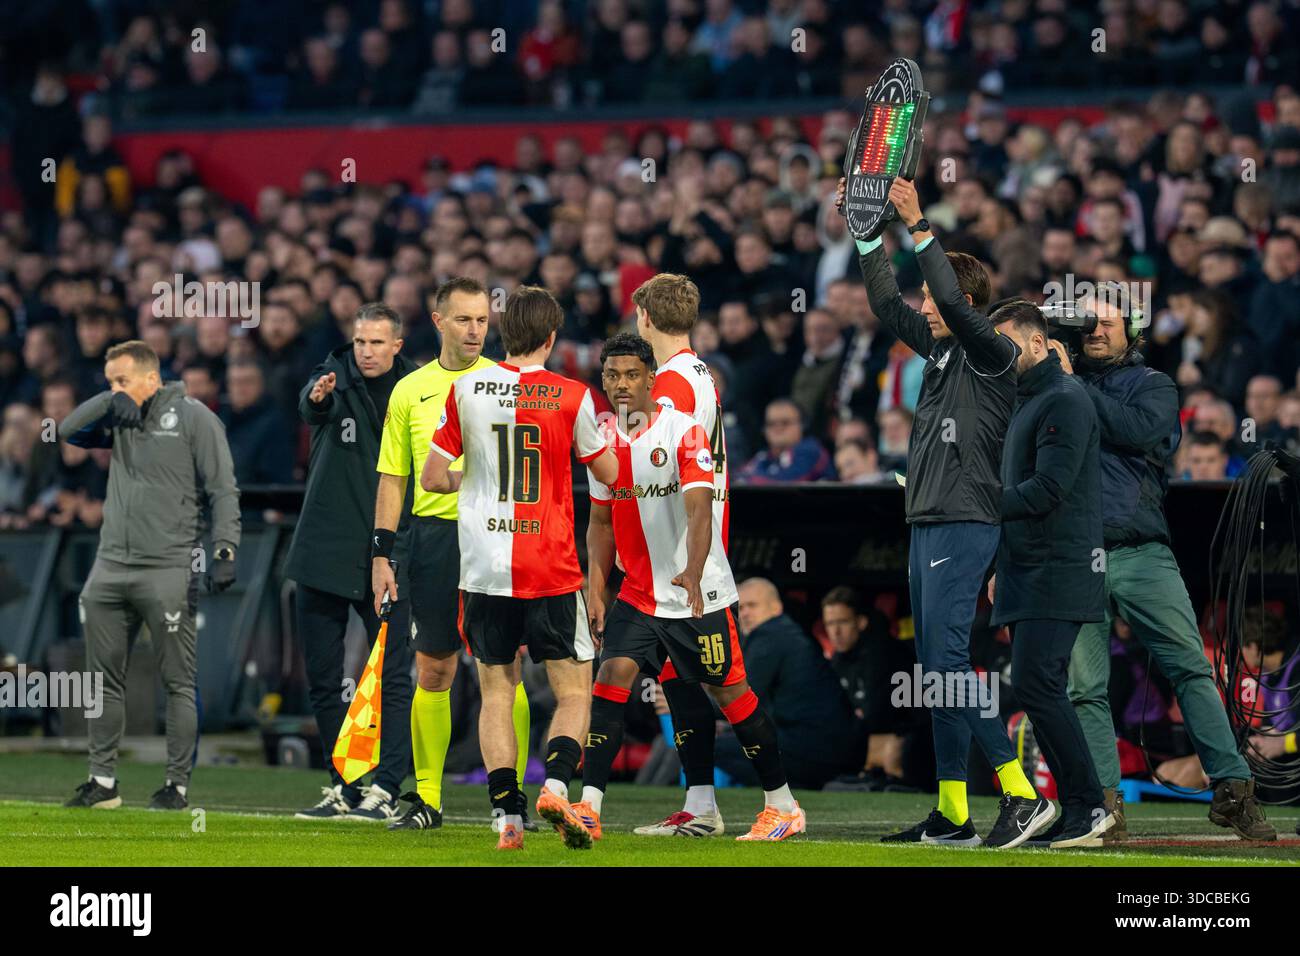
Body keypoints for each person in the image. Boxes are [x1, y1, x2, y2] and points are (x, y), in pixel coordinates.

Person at [839, 175, 1043, 845]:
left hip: (964, 519)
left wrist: (918, 222)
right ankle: (954, 811)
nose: (922, 302)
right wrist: (868, 229)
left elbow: (951, 297)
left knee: (951, 666)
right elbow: (879, 299)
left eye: (929, 294)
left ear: (964, 303)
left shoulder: (992, 353)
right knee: (937, 675)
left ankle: (1020, 791)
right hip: (929, 519)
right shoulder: (942, 350)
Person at [578, 333, 805, 843]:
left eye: (631, 374)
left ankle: (783, 805)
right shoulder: (600, 438)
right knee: (612, 678)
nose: (620, 384)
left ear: (651, 378)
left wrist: (694, 570)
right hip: (638, 594)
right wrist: (596, 588)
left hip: (694, 592)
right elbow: (598, 523)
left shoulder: (683, 432)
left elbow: (701, 508)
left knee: (730, 694)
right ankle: (590, 808)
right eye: (611, 375)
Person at [1067, 289, 1275, 841]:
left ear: (1133, 329)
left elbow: (1141, 434)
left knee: (1191, 667)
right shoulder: (1056, 386)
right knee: (1084, 687)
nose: (1094, 330)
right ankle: (1102, 806)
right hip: (1073, 555)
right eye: (1086, 321)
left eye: (1106, 321)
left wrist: (1068, 385)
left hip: (1141, 549)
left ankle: (1232, 787)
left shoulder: (1153, 385)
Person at [421, 285, 618, 850]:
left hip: (483, 568)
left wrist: (474, 481)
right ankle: (556, 784)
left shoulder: (465, 390)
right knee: (575, 692)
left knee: (497, 693)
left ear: (504, 333)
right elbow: (606, 473)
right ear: (552, 338)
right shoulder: (572, 396)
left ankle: (507, 818)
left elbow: (433, 477)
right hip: (550, 567)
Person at [369, 278, 530, 831]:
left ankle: (513, 799)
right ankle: (427, 800)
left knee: (506, 670)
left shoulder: (508, 384)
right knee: (433, 669)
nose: (475, 329)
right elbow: (393, 476)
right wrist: (381, 554)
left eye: (483, 319)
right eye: (464, 319)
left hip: (494, 535)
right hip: (433, 541)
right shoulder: (409, 390)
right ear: (438, 322)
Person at [60, 340, 239, 810]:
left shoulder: (195, 417)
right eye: (109, 382)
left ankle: (176, 786)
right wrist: (109, 400)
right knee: (102, 680)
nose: (115, 390)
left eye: (122, 381)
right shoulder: (117, 418)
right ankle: (103, 783)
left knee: (177, 681)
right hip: (110, 564)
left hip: (168, 567)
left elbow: (223, 489)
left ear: (151, 378)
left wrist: (225, 549)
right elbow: (67, 428)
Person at [285, 302, 419, 822]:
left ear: (397, 345)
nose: (365, 351)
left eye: (376, 343)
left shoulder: (417, 387)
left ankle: (387, 785)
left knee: (391, 675)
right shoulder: (331, 374)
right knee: (324, 678)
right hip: (322, 546)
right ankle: (345, 783)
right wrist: (317, 397)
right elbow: (310, 405)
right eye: (360, 341)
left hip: (385, 552)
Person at [986, 301, 1112, 848]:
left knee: (1039, 685)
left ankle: (1089, 806)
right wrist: (999, 560)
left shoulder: (1065, 397)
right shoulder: (1032, 400)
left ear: (1038, 343)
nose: (1000, 352)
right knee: (1039, 689)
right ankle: (1080, 806)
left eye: (1009, 342)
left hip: (1059, 567)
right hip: (1031, 566)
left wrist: (978, 502)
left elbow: (1049, 490)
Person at [625, 272, 739, 837]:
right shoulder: (699, 374)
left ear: (645, 317)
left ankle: (782, 802)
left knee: (723, 682)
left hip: (683, 556)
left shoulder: (670, 384)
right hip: (690, 548)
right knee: (684, 679)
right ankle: (700, 807)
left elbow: (653, 469)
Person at [719, 578, 858, 791]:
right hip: (831, 747)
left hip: (813, 748)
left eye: (753, 605)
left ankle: (787, 791)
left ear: (776, 607)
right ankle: (796, 789)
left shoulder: (771, 634)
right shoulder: (783, 632)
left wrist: (692, 705)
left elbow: (739, 697)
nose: (745, 613)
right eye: (741, 607)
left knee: (709, 746)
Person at [821, 586, 916, 788]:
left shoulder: (883, 654)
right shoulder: (837, 660)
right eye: (830, 624)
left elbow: (877, 715)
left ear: (861, 622)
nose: (836, 632)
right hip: (858, 744)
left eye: (843, 622)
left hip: (904, 745)